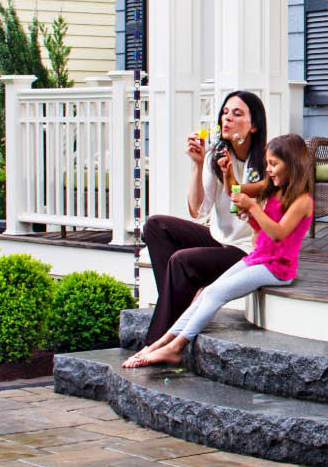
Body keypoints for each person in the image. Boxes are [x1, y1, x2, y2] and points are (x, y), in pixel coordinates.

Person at [122, 133, 313, 369]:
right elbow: (237, 192)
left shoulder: (303, 201)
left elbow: (277, 233)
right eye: (267, 164)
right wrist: (228, 174)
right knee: (206, 292)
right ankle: (158, 344)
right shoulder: (272, 187)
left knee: (215, 294)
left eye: (274, 164)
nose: (269, 170)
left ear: (293, 164)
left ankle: (176, 347)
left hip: (277, 268)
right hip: (259, 257)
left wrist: (253, 206)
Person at [131, 90, 267, 353]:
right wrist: (197, 164)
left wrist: (229, 175)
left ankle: (155, 343)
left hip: (246, 251)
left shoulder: (264, 162)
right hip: (219, 240)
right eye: (225, 113)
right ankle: (181, 309)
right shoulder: (216, 156)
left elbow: (244, 208)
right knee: (155, 226)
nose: (227, 119)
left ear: (254, 125)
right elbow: (198, 209)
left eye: (237, 114)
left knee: (181, 260)